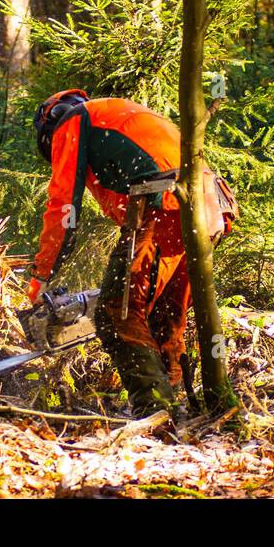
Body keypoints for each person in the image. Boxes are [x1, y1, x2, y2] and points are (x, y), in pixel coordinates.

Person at [28, 89, 235, 415]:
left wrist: (41, 276)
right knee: (162, 320)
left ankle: (155, 413)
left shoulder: (72, 120)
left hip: (163, 204)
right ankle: (180, 410)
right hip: (207, 209)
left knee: (116, 314)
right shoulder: (115, 115)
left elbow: (63, 206)